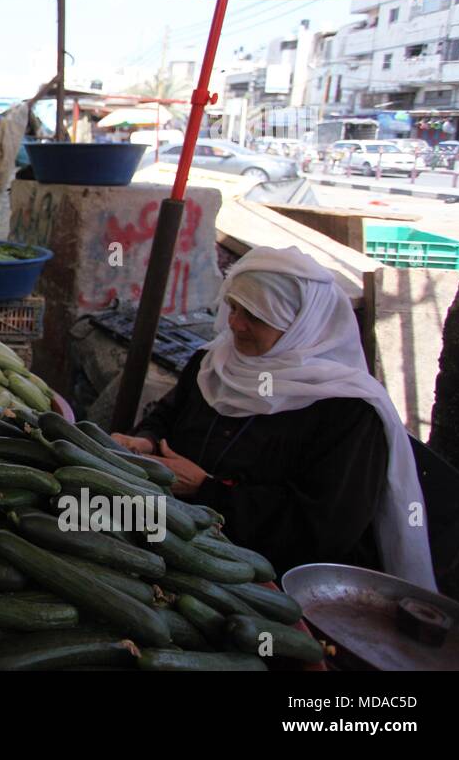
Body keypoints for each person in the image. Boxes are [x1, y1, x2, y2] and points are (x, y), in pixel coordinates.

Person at [112, 246, 436, 589]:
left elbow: (322, 528)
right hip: (171, 536)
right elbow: (166, 415)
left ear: (299, 323)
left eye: (254, 315)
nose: (235, 324)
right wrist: (144, 439)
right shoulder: (214, 364)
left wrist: (208, 490)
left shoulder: (349, 411)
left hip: (269, 578)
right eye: (233, 307)